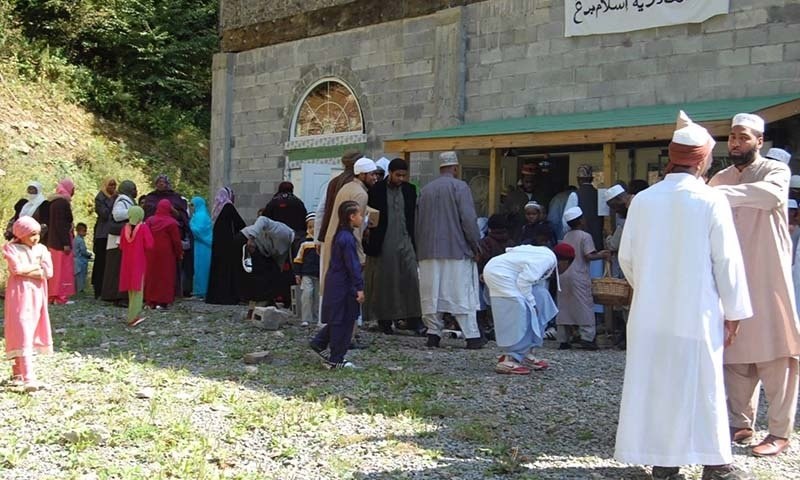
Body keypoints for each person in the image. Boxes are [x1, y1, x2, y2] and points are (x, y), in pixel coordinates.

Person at [615, 111, 755, 480]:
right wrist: (734, 309)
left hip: (651, 312)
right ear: (705, 160)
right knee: (702, 384)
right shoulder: (710, 201)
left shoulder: (643, 200)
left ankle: (664, 462)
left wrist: (652, 287)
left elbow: (626, 258)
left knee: (659, 383)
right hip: (697, 312)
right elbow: (727, 261)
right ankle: (714, 463)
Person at [708, 112, 800, 457]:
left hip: (769, 278)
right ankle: (740, 422)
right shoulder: (720, 177)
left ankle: (779, 431)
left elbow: (768, 197)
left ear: (759, 142)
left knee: (777, 353)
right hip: (732, 277)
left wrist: (717, 195)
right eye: (732, 137)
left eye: (743, 137)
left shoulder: (775, 171)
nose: (735, 143)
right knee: (734, 353)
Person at [416, 151, 485, 349]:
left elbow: (417, 222)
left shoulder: (426, 190)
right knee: (460, 293)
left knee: (432, 294)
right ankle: (472, 336)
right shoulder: (460, 187)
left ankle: (433, 334)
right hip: (457, 250)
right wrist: (475, 245)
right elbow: (468, 220)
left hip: (427, 251)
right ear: (455, 168)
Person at [363, 158, 422, 335]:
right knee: (386, 281)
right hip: (384, 241)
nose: (401, 179)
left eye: (404, 175)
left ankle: (413, 319)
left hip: (406, 240)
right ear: (390, 173)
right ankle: (385, 320)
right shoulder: (377, 190)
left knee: (410, 278)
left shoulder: (410, 190)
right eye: (398, 175)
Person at [484, 244, 557, 375]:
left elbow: (512, 250)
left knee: (541, 296)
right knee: (519, 312)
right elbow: (524, 281)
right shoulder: (546, 260)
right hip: (501, 275)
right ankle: (511, 356)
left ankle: (526, 352)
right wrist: (532, 303)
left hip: (501, 270)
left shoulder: (542, 253)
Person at [309, 201, 365, 369]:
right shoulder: (347, 239)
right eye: (359, 215)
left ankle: (319, 342)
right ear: (351, 216)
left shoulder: (340, 235)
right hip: (344, 284)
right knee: (345, 320)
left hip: (337, 282)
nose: (362, 218)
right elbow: (352, 265)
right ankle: (336, 358)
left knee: (337, 318)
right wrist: (360, 287)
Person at [3, 216, 53, 392]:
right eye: (32, 234)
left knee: (31, 328)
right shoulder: (11, 248)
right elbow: (16, 269)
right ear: (21, 234)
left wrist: (28, 269)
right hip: (19, 294)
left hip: (37, 294)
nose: (36, 238)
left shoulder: (42, 249)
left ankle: (17, 372)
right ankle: (28, 377)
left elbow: (48, 271)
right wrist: (36, 268)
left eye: (38, 234)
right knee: (21, 327)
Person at [320, 157, 378, 295]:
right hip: (346, 246)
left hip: (335, 241)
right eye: (372, 174)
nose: (375, 178)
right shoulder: (360, 194)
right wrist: (360, 256)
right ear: (362, 175)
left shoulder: (347, 187)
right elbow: (355, 229)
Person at [556, 206, 610, 350]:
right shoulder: (585, 236)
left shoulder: (566, 236)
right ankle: (587, 337)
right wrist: (603, 254)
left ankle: (563, 338)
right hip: (578, 275)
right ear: (581, 220)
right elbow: (588, 255)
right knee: (584, 305)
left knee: (564, 306)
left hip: (563, 275)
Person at [141, 174, 191, 296]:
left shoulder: (176, 197)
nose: (161, 184)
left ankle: (172, 291)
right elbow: (146, 212)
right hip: (153, 234)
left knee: (171, 265)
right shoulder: (151, 197)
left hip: (172, 232)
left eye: (163, 182)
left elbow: (182, 215)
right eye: (159, 182)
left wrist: (172, 211)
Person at [239, 215, 295, 315]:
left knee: (268, 274)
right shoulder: (284, 231)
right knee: (259, 277)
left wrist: (278, 274)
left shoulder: (287, 245)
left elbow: (279, 260)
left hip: (260, 248)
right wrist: (251, 238)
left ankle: (265, 303)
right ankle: (257, 306)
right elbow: (262, 219)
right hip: (248, 241)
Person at [206, 187, 246, 305]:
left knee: (217, 268)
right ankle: (226, 296)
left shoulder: (217, 208)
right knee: (227, 269)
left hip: (217, 242)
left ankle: (215, 296)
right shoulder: (228, 206)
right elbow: (240, 223)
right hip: (227, 243)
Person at [101, 180, 137, 304]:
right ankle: (118, 296)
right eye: (133, 189)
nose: (135, 191)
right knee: (117, 268)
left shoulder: (124, 200)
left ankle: (113, 295)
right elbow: (117, 215)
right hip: (118, 241)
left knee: (115, 268)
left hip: (120, 240)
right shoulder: (122, 201)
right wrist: (134, 213)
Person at [119, 206, 154, 327]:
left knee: (130, 290)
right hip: (139, 261)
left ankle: (130, 314)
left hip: (127, 262)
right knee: (138, 289)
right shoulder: (143, 228)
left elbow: (121, 246)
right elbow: (150, 245)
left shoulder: (125, 228)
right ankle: (134, 316)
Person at [144, 199, 183, 309]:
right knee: (165, 275)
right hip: (166, 252)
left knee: (152, 274)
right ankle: (163, 300)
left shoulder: (150, 220)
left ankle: (150, 299)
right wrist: (179, 252)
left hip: (150, 251)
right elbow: (176, 241)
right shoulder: (171, 222)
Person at [46, 178, 76, 305]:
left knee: (54, 271)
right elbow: (62, 224)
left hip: (53, 241)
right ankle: (61, 297)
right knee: (63, 271)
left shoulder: (53, 202)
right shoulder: (62, 203)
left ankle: (52, 296)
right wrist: (66, 243)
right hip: (60, 242)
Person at [293, 213, 320, 327]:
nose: (313, 229)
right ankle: (306, 318)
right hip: (307, 273)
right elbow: (298, 259)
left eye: (315, 226)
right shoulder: (304, 243)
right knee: (307, 294)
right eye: (310, 227)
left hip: (319, 273)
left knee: (319, 296)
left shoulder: (322, 243)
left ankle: (318, 317)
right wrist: (297, 274)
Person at [92, 177, 117, 299]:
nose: (112, 187)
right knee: (100, 262)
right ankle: (98, 289)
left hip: (112, 234)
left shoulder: (117, 198)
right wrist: (112, 200)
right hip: (102, 234)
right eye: (110, 185)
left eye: (114, 185)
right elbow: (104, 214)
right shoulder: (100, 198)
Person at [503, 163, 538, 239]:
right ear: (522, 181)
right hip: (516, 236)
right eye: (527, 182)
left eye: (532, 182)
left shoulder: (542, 196)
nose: (529, 185)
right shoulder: (512, 196)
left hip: (536, 236)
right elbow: (504, 218)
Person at [575, 165, 603, 252]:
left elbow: (566, 222)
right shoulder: (600, 195)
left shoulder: (575, 195)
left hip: (580, 242)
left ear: (578, 179)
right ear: (592, 179)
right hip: (597, 241)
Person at [189, 197, 213, 298]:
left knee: (201, 267)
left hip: (202, 245)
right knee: (201, 267)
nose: (191, 207)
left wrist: (190, 224)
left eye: (192, 205)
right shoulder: (202, 215)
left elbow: (199, 231)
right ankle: (201, 290)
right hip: (202, 245)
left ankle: (201, 290)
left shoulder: (200, 216)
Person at [72, 223, 92, 294]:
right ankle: (80, 289)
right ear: (79, 231)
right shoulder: (80, 240)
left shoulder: (74, 239)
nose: (85, 232)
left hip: (75, 260)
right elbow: (83, 251)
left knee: (76, 276)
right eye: (84, 231)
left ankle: (75, 289)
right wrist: (89, 254)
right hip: (80, 261)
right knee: (81, 276)